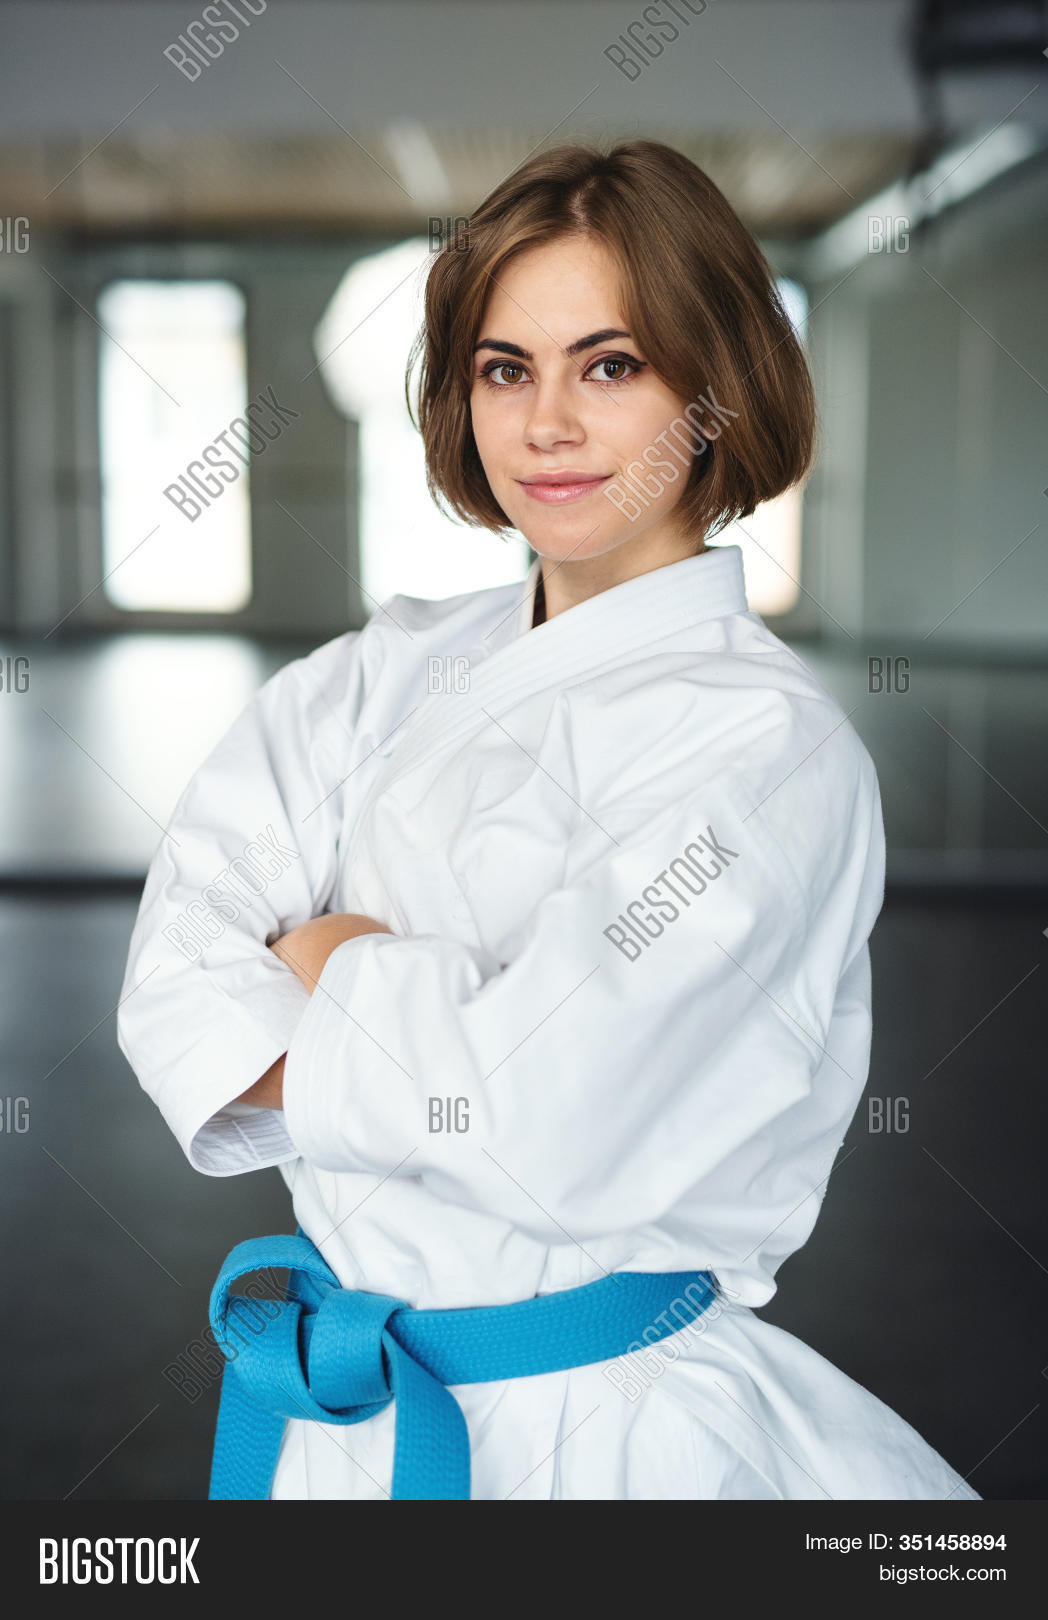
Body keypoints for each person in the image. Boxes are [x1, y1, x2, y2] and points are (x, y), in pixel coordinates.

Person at [117, 139, 978, 1501]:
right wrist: (442, 1021)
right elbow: (173, 983)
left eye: (612, 364)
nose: (547, 424)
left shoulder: (767, 747)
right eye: (505, 368)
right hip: (343, 1425)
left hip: (614, 1435)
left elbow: (544, 1112)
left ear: (719, 385)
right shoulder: (375, 671)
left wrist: (328, 967)